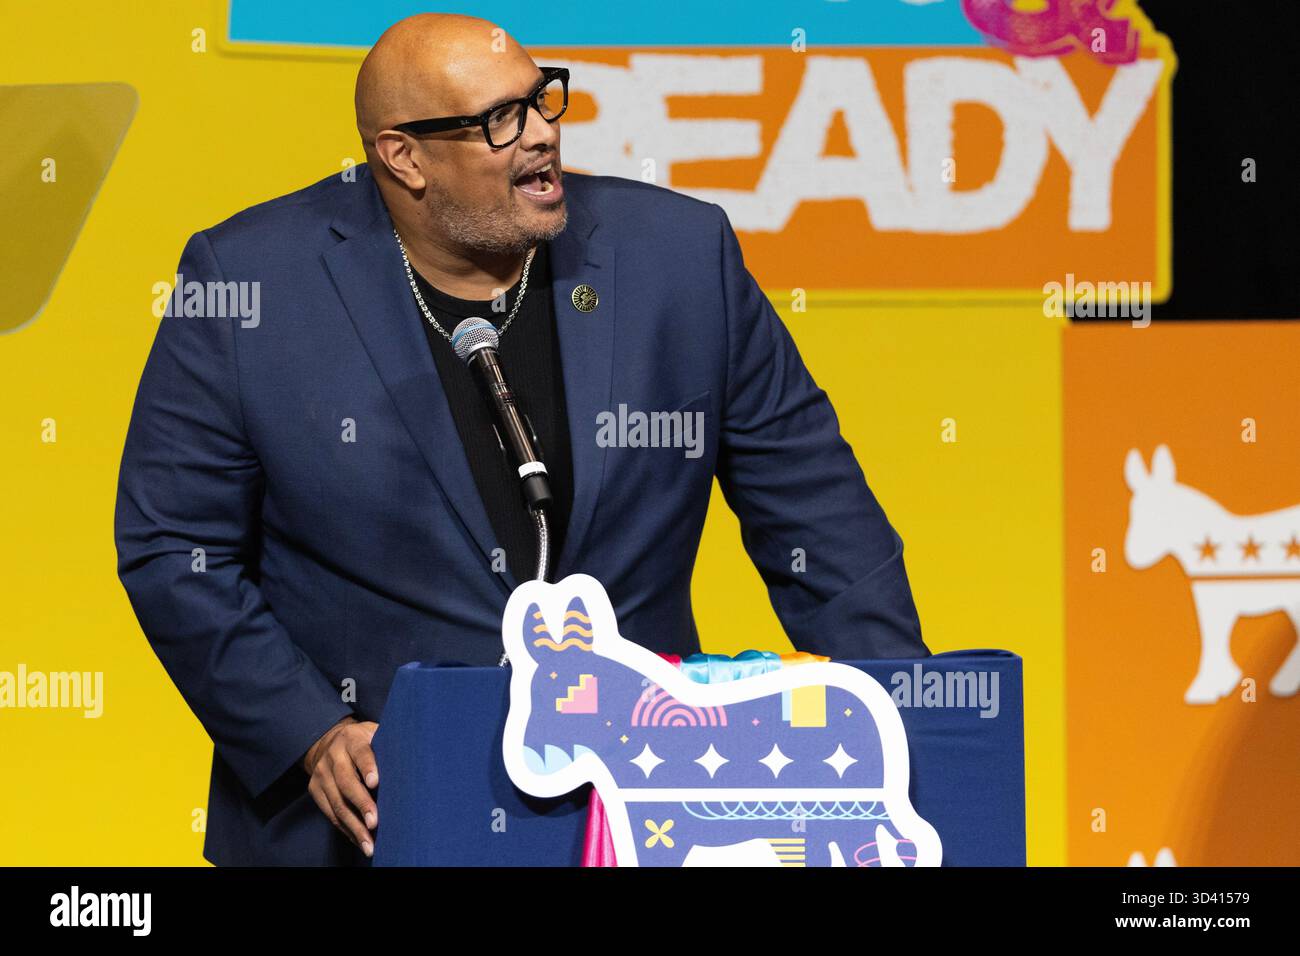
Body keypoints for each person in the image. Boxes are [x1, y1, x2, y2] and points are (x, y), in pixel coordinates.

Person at [114, 12, 928, 867]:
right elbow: (175, 547)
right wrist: (309, 730)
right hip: (373, 818)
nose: (542, 135)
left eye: (543, 101)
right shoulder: (251, 285)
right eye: (500, 120)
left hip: (635, 802)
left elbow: (816, 509)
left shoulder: (679, 259)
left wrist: (907, 722)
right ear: (403, 156)